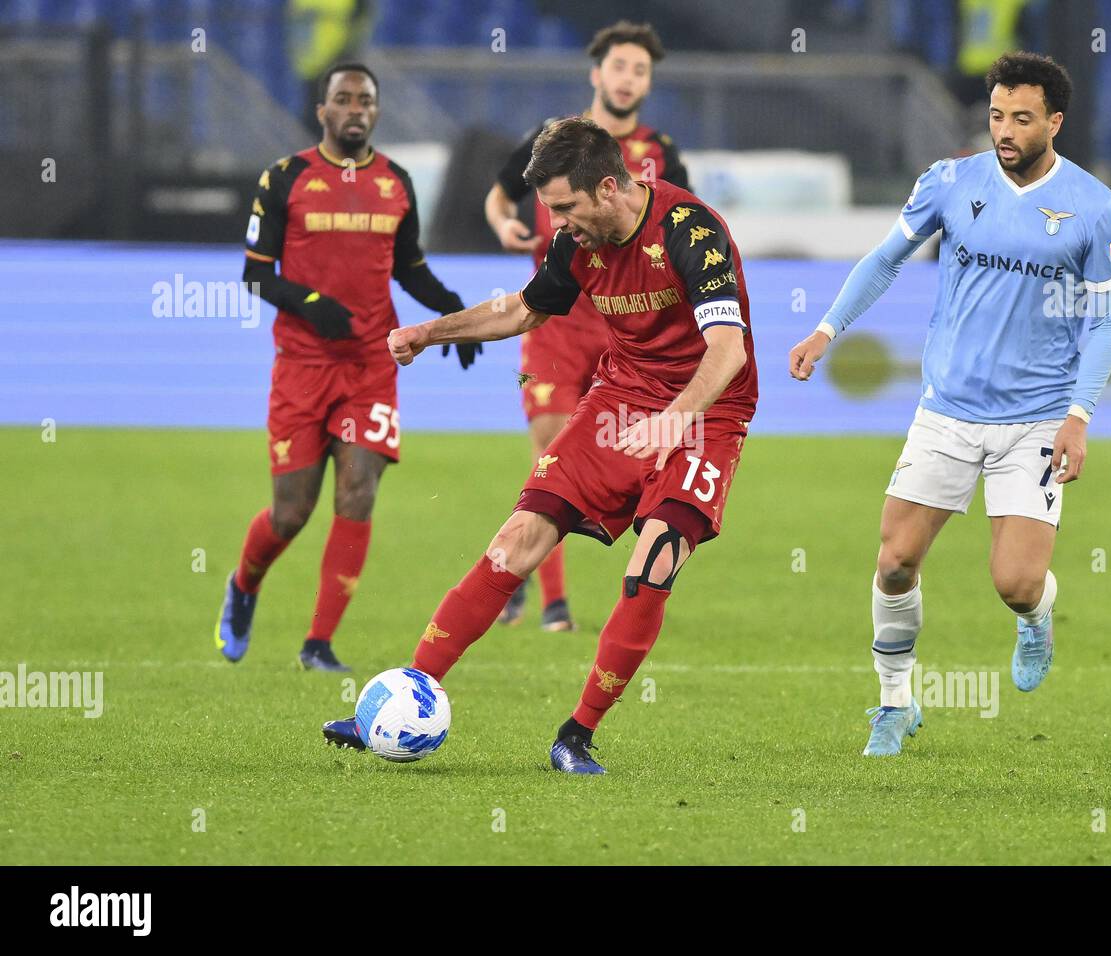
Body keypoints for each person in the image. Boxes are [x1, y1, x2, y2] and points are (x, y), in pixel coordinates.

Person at [324, 117, 757, 773]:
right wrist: (432, 331)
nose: (558, 222)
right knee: (517, 538)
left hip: (708, 410)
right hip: (622, 398)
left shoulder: (691, 230)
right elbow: (525, 309)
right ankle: (405, 697)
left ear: (609, 187)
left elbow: (729, 350)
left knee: (652, 566)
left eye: (565, 207)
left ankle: (575, 735)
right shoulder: (577, 244)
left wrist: (677, 417)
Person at [789, 52, 1111, 756]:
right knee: (894, 563)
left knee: (1015, 582)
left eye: (1022, 118)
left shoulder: (1092, 208)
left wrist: (1079, 414)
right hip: (946, 410)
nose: (1005, 129)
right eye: (998, 114)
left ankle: (1037, 618)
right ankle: (894, 703)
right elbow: (885, 257)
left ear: (1055, 122)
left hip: (1034, 418)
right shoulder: (950, 181)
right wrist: (827, 329)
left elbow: (1106, 320)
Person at [215, 63, 476, 672]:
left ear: (376, 113)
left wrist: (454, 315)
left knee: (357, 494)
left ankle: (318, 645)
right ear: (323, 111)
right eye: (343, 98)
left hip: (370, 367)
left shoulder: (398, 183)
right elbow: (255, 273)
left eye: (365, 99)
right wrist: (313, 305)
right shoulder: (285, 178)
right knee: (291, 513)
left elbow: (408, 268)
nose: (355, 108)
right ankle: (244, 585)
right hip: (302, 367)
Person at [484, 20, 690, 631]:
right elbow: (498, 196)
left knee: (614, 465)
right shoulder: (556, 143)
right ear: (596, 74)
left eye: (640, 70)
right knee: (551, 453)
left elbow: (682, 226)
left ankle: (530, 574)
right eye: (619, 67)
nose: (629, 79)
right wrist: (504, 226)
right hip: (552, 323)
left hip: (621, 329)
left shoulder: (661, 151)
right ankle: (552, 603)